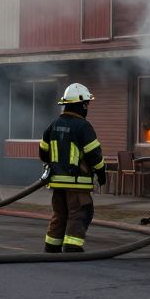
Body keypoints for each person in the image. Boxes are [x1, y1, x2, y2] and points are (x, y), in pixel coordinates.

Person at [39, 83, 106, 253]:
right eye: (86, 104)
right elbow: (94, 155)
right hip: (77, 183)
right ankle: (72, 246)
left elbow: (43, 152)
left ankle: (52, 245)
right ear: (82, 105)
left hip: (57, 182)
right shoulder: (83, 126)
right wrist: (101, 171)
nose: (87, 108)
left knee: (60, 214)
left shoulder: (53, 125)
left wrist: (55, 165)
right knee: (81, 212)